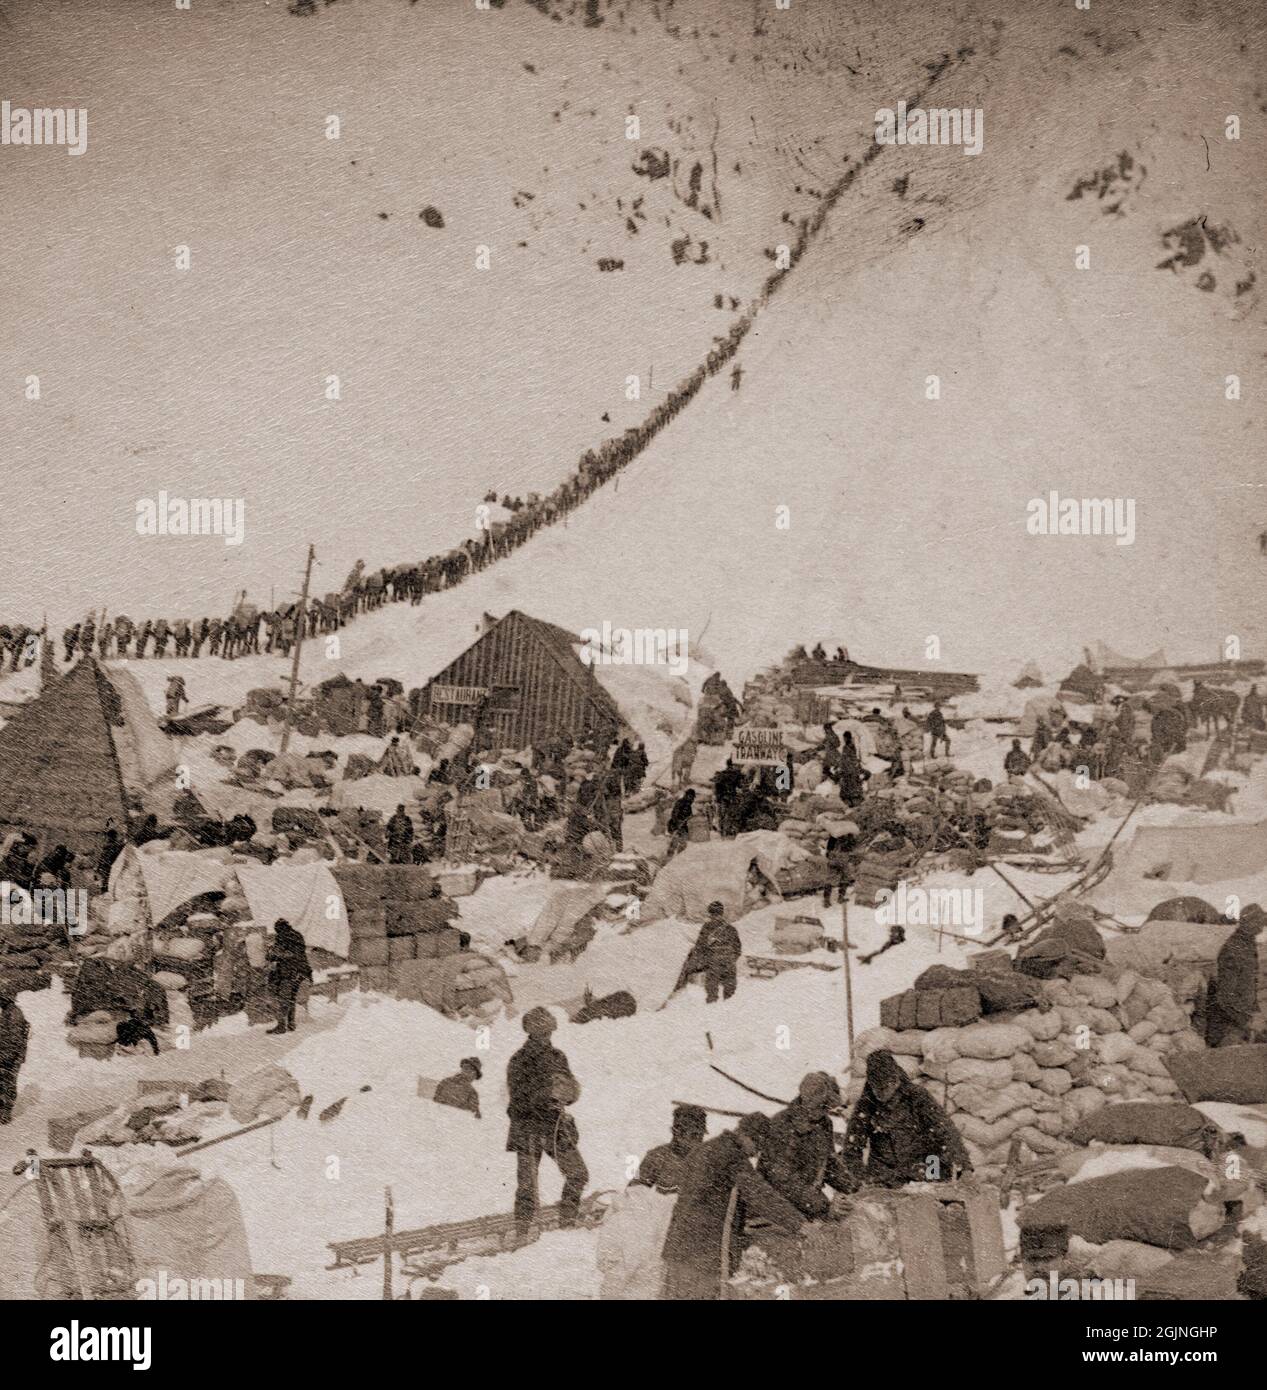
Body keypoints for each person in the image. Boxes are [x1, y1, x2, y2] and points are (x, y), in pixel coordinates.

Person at [661, 1113, 806, 1300]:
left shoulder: (704, 1149)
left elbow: (708, 1194)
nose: (756, 1154)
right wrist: (799, 1223)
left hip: (678, 1245)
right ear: (749, 1136)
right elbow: (760, 1194)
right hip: (703, 1253)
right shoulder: (732, 1156)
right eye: (758, 1146)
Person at [507, 1007, 588, 1237]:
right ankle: (522, 1231)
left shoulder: (558, 1057)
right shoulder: (519, 1060)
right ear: (530, 1032)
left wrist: (569, 1092)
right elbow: (517, 1101)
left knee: (578, 1174)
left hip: (555, 1126)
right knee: (527, 1187)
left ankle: (567, 1222)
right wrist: (547, 1093)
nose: (546, 1037)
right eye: (541, 1033)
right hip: (527, 1127)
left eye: (548, 1032)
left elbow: (571, 1089)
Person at [842, 1048, 970, 1187]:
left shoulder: (917, 1097)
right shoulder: (866, 1104)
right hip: (885, 1174)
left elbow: (945, 1130)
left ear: (895, 1081)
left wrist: (964, 1167)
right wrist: (860, 1177)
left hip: (924, 1166)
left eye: (885, 1088)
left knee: (931, 1198)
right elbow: (852, 1147)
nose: (880, 1094)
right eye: (876, 1088)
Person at [758, 1072, 854, 1218]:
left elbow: (829, 1163)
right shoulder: (782, 1125)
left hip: (807, 1202)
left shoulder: (824, 1123)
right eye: (821, 1108)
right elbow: (785, 1182)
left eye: (826, 1109)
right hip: (778, 1209)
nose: (824, 1113)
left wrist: (852, 1187)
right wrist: (824, 1207)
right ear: (806, 1103)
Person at [1206, 905, 1264, 1047]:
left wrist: (1255, 1013)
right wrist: (1247, 1021)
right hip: (1227, 1027)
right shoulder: (1233, 950)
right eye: (1260, 923)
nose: (1262, 927)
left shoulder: (1248, 944)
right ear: (1249, 923)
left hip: (1242, 1021)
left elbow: (1250, 984)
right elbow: (1225, 997)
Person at [678, 901, 742, 1003]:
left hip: (714, 961)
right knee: (730, 991)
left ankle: (712, 1008)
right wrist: (731, 959)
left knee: (712, 989)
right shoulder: (731, 928)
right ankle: (729, 1008)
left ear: (710, 913)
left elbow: (700, 946)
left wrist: (699, 962)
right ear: (722, 912)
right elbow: (738, 948)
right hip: (729, 961)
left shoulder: (707, 927)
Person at [637, 1104, 708, 1194]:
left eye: (700, 1136)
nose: (698, 1141)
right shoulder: (656, 1157)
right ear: (676, 1132)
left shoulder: (708, 1160)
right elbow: (634, 1194)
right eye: (694, 1135)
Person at [265, 918, 312, 1034]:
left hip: (290, 973)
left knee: (283, 999)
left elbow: (288, 954)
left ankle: (281, 1026)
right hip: (300, 972)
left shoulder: (285, 936)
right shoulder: (295, 935)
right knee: (290, 998)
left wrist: (273, 953)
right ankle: (290, 1024)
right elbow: (294, 953)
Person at [0, 986, 29, 1124]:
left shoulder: (14, 1013)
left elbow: (15, 1039)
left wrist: (6, 1057)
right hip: (6, 1054)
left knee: (8, 1083)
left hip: (10, 1056)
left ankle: (5, 1114)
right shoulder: (7, 1011)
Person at [837, 730, 866, 808]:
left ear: (847, 738)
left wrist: (844, 766)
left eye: (844, 738)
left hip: (849, 769)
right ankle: (850, 801)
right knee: (848, 784)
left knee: (850, 784)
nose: (844, 739)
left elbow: (849, 758)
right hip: (848, 769)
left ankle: (853, 801)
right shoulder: (847, 746)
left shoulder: (849, 746)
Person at [666, 787, 695, 858]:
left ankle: (679, 856)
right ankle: (669, 855)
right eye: (690, 796)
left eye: (692, 797)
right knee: (675, 840)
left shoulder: (689, 805)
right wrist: (678, 822)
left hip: (683, 826)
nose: (691, 798)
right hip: (675, 825)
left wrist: (690, 817)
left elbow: (690, 815)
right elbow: (674, 814)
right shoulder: (680, 802)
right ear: (686, 795)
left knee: (683, 842)